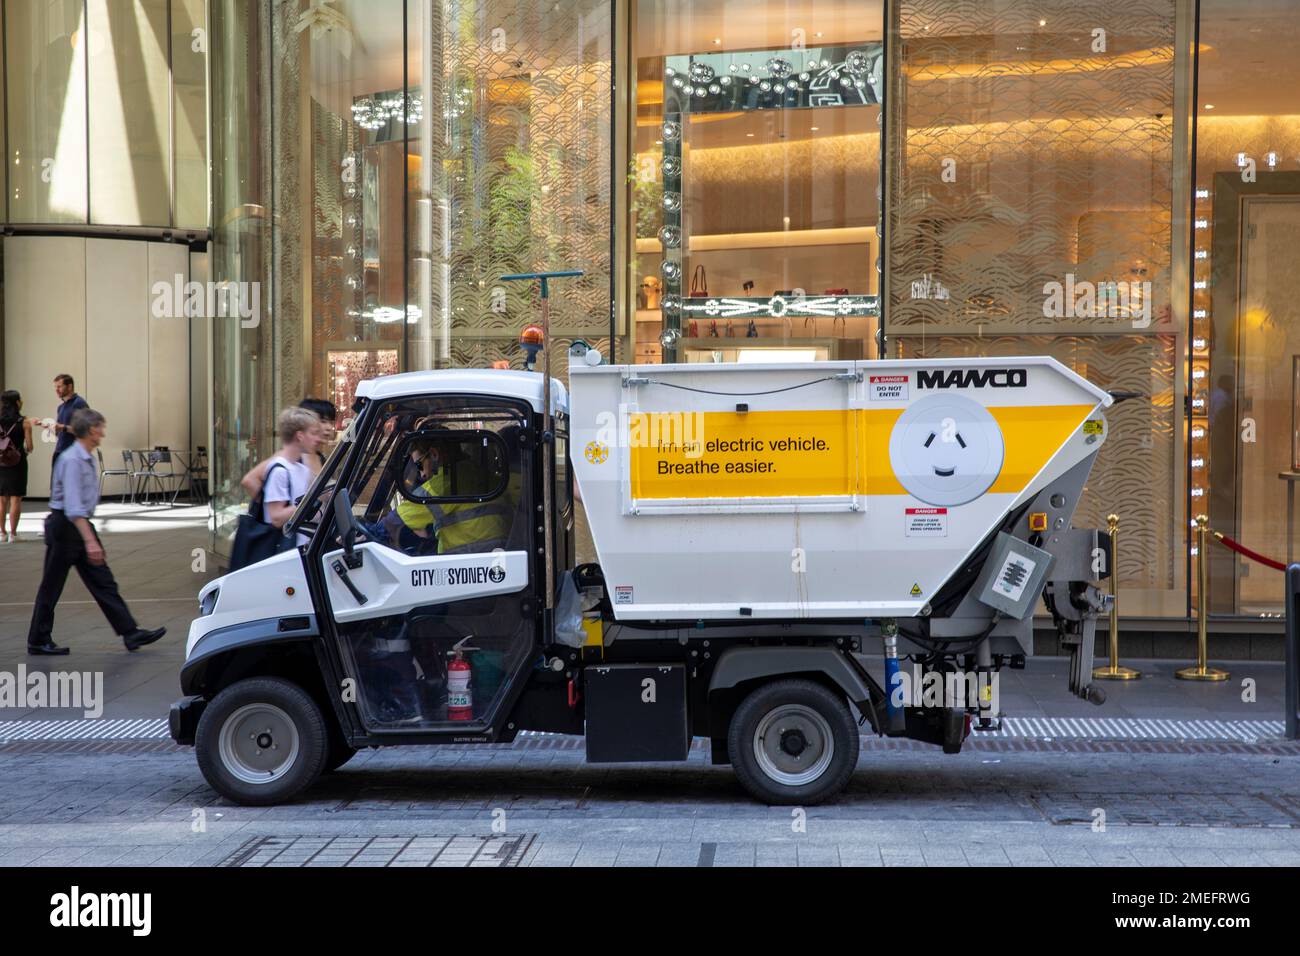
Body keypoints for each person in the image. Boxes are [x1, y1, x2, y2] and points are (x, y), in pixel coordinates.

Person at [27, 408, 167, 656]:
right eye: (101, 427)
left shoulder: (86, 456)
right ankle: (38, 639)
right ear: (91, 430)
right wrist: (90, 541)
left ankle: (130, 632)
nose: (103, 431)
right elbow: (72, 507)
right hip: (67, 526)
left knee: (103, 581)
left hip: (78, 525)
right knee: (52, 585)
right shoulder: (71, 460)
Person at [240, 396, 335, 498]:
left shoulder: (320, 457)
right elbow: (249, 480)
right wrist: (273, 506)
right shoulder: (290, 456)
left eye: (331, 422)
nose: (329, 428)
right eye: (323, 421)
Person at [261, 406, 322, 548]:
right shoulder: (280, 471)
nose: (317, 439)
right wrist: (308, 503)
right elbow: (276, 517)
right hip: (284, 551)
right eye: (313, 433)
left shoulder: (301, 469)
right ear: (300, 436)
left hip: (299, 547)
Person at [0, 390, 34, 543]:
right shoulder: (24, 421)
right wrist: (21, 451)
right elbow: (30, 446)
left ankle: (2, 533)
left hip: (0, 462)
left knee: (1, 500)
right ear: (17, 402)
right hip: (18, 462)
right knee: (15, 499)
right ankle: (13, 534)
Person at [50, 374, 88, 468]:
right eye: (55, 387)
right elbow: (58, 430)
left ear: (69, 386)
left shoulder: (79, 403)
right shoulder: (61, 407)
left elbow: (85, 430)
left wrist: (63, 428)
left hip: (73, 455)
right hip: (59, 452)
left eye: (59, 386)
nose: (56, 390)